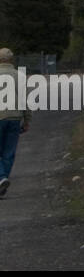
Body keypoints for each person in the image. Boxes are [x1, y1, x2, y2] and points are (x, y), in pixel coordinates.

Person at [0, 48, 32, 198]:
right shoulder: (19, 76)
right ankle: (3, 179)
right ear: (11, 60)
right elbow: (25, 100)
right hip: (14, 118)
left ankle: (1, 178)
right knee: (8, 152)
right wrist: (27, 120)